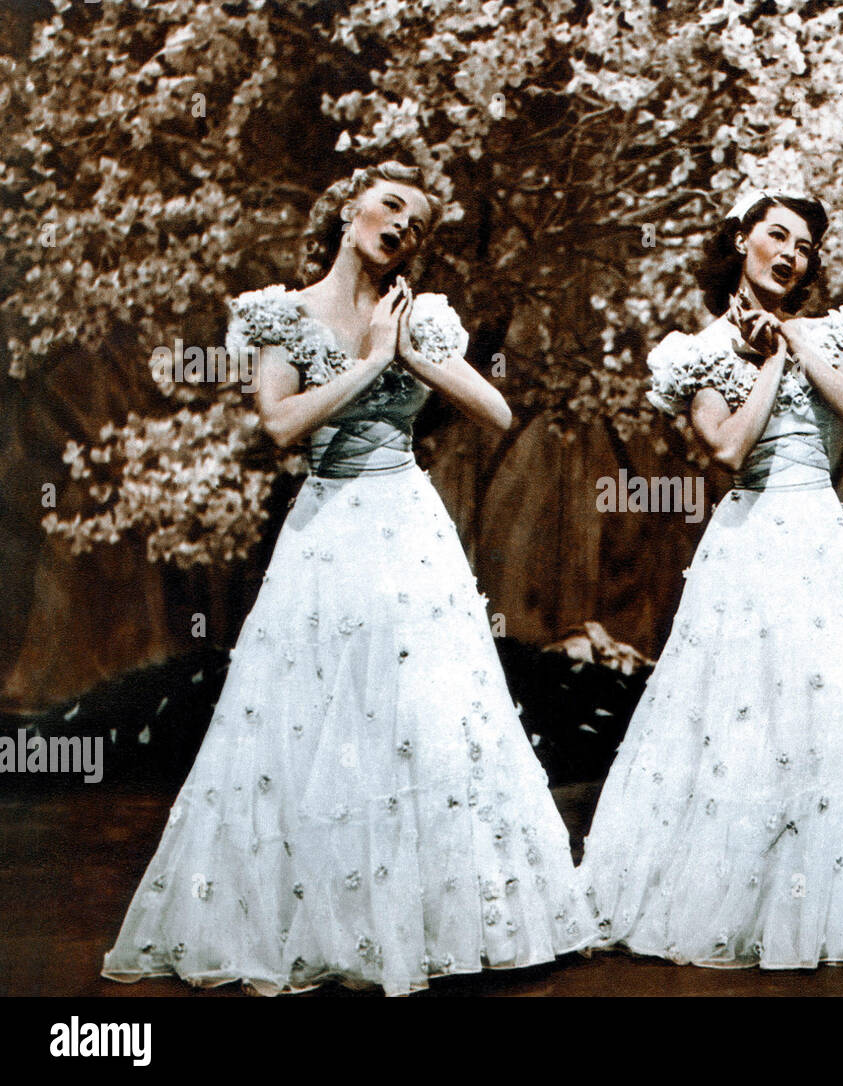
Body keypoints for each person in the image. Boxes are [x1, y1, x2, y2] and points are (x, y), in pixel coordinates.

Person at [101, 162, 594, 995]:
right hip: (329, 527)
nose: (402, 225)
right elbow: (281, 424)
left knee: (425, 711)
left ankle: (433, 923)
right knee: (312, 714)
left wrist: (408, 353)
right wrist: (370, 363)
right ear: (348, 207)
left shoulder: (420, 317)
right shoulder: (279, 314)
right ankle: (314, 918)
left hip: (408, 524)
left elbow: (498, 412)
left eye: (420, 223)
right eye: (391, 205)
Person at [578, 190, 843, 968]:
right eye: (777, 236)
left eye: (804, 245)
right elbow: (725, 450)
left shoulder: (830, 332)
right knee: (736, 717)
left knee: (831, 712)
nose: (792, 253)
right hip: (749, 536)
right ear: (742, 240)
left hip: (817, 537)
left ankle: (824, 902)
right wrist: (770, 365)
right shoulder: (694, 352)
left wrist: (794, 338)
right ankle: (729, 901)